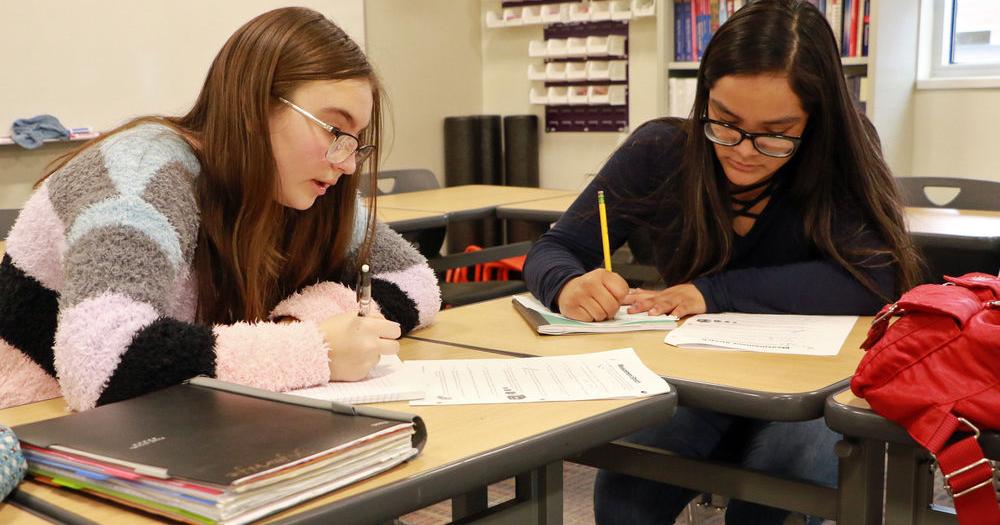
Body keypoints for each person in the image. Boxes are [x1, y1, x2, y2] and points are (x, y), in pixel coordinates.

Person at [523, 0, 921, 523]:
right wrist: (568, 284)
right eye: (725, 123)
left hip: (810, 385)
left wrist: (712, 293)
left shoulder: (840, 155)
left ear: (816, 120)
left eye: (776, 132)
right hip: (700, 377)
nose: (745, 151)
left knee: (785, 485)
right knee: (627, 486)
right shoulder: (662, 150)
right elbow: (553, 249)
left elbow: (876, 279)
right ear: (703, 96)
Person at [0, 7, 440, 411]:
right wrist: (314, 349)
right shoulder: (138, 173)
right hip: (37, 427)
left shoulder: (295, 185)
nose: (347, 163)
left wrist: (304, 319)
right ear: (253, 107)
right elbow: (103, 362)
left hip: (177, 417)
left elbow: (416, 281)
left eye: (356, 140)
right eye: (334, 130)